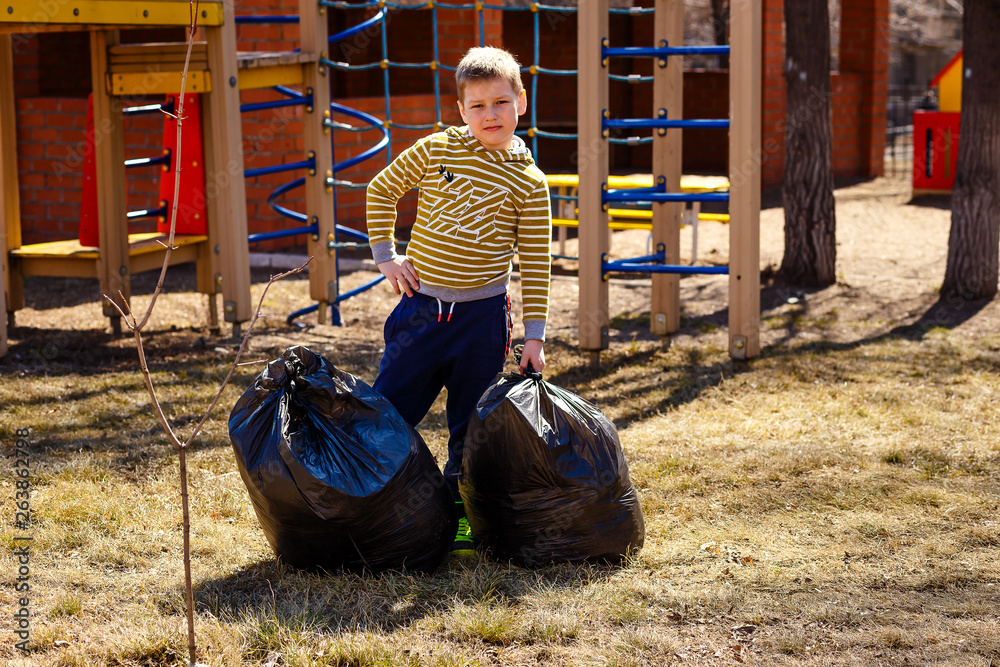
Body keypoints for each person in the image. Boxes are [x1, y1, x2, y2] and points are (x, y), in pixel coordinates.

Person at [366, 46, 551, 557]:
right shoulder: (437, 151)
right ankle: (374, 509)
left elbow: (536, 264)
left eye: (500, 102)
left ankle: (462, 518)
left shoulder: (531, 184)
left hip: (483, 322)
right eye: (477, 106)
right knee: (388, 414)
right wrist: (386, 257)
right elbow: (381, 190)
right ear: (460, 109)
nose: (490, 115)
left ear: (521, 101)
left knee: (471, 427)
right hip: (421, 313)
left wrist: (534, 336)